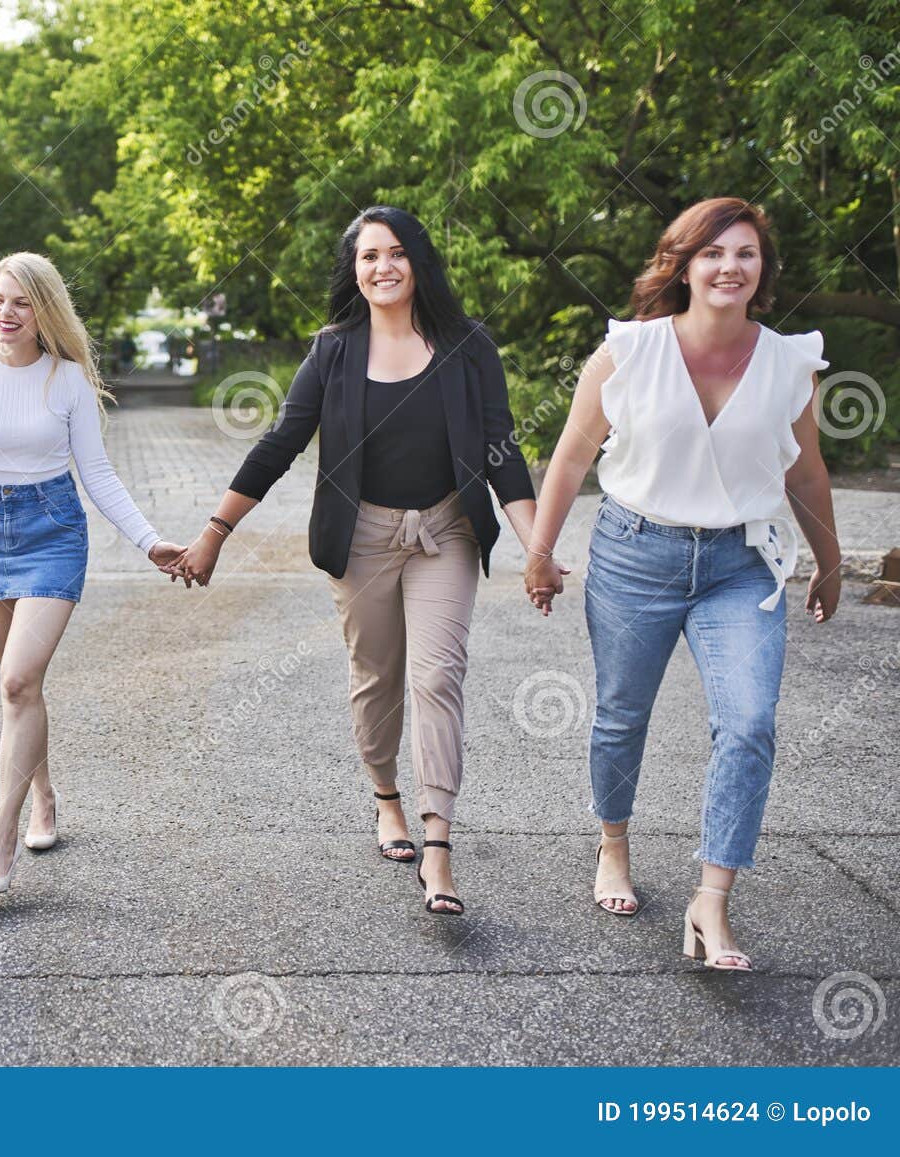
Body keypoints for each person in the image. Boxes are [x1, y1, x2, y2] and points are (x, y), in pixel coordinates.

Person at [175, 207, 539, 917]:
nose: (384, 267)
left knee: (438, 674)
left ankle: (439, 845)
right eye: (370, 256)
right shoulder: (335, 349)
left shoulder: (468, 346)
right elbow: (281, 444)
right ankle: (387, 799)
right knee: (378, 677)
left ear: (419, 263)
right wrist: (215, 531)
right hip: (363, 536)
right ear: (355, 270)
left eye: (397, 253)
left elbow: (502, 450)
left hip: (446, 530)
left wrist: (538, 547)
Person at [524, 197, 840, 970]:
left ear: (762, 270)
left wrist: (830, 562)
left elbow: (806, 471)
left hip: (740, 567)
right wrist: (540, 549)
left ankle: (711, 900)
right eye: (713, 253)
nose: (730, 266)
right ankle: (614, 846)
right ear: (685, 265)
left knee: (750, 721)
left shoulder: (788, 362)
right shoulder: (629, 353)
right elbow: (570, 455)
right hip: (637, 553)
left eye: (745, 254)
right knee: (622, 717)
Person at [0, 252, 185, 895]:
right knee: (21, 690)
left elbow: (99, 473)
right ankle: (44, 798)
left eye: (22, 302)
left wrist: (148, 541)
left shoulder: (67, 381)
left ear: (44, 312)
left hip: (53, 530)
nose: (6, 313)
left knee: (15, 680)